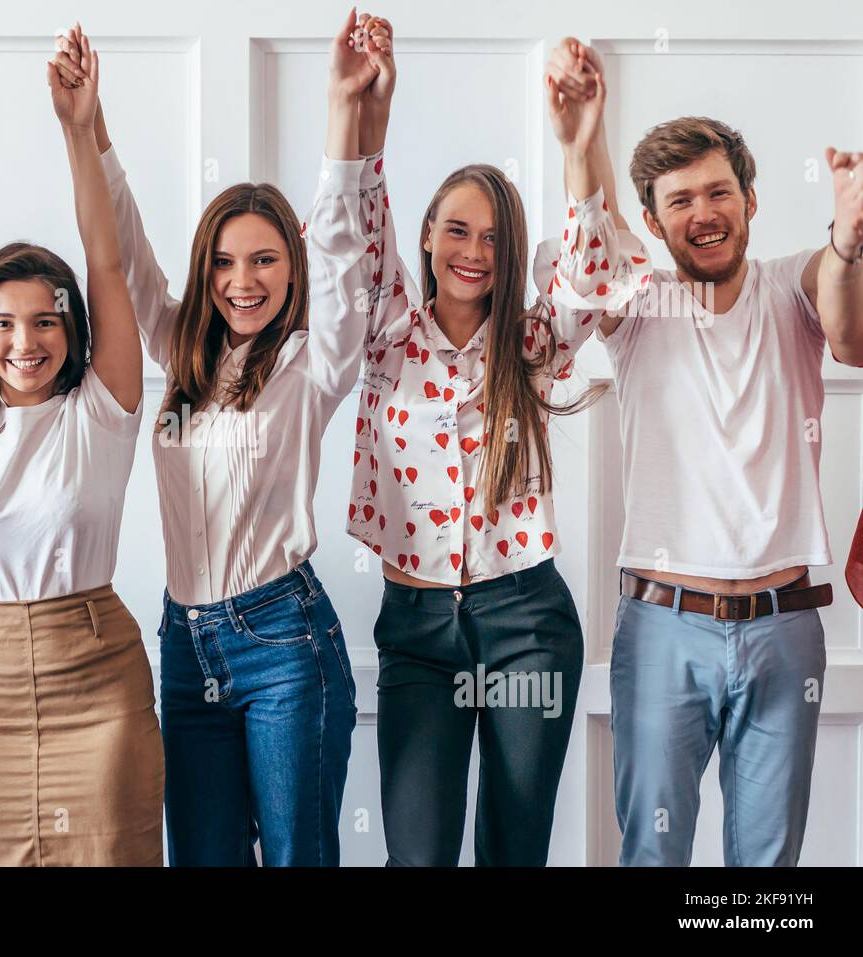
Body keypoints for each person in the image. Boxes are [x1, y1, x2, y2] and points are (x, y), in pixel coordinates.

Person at [50, 16, 367, 866]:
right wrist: (91, 122)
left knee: (299, 855)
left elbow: (343, 259)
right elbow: (125, 248)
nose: (242, 282)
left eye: (264, 261)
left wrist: (342, 109)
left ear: (291, 268)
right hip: (185, 642)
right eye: (225, 262)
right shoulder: (181, 351)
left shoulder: (312, 363)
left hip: (283, 643)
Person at [336, 20, 650, 865]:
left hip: (526, 622)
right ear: (428, 238)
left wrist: (582, 140)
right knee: (420, 853)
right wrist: (368, 106)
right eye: (458, 231)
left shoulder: (529, 342)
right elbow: (357, 229)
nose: (475, 252)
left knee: (515, 850)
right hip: (417, 625)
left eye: (492, 237)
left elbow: (595, 272)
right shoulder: (385, 331)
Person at [548, 37, 862, 865]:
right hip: (661, 627)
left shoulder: (797, 283)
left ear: (752, 199)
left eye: (719, 190)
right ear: (654, 223)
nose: (704, 211)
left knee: (765, 869)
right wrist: (583, 143)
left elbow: (851, 330)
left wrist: (849, 238)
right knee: (654, 857)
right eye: (680, 200)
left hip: (785, 627)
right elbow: (593, 249)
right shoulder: (639, 304)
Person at [0, 28, 163, 866]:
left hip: (99, 677)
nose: (27, 341)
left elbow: (106, 260)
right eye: (5, 323)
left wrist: (78, 126)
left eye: (47, 320)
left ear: (72, 327)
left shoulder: (103, 404)